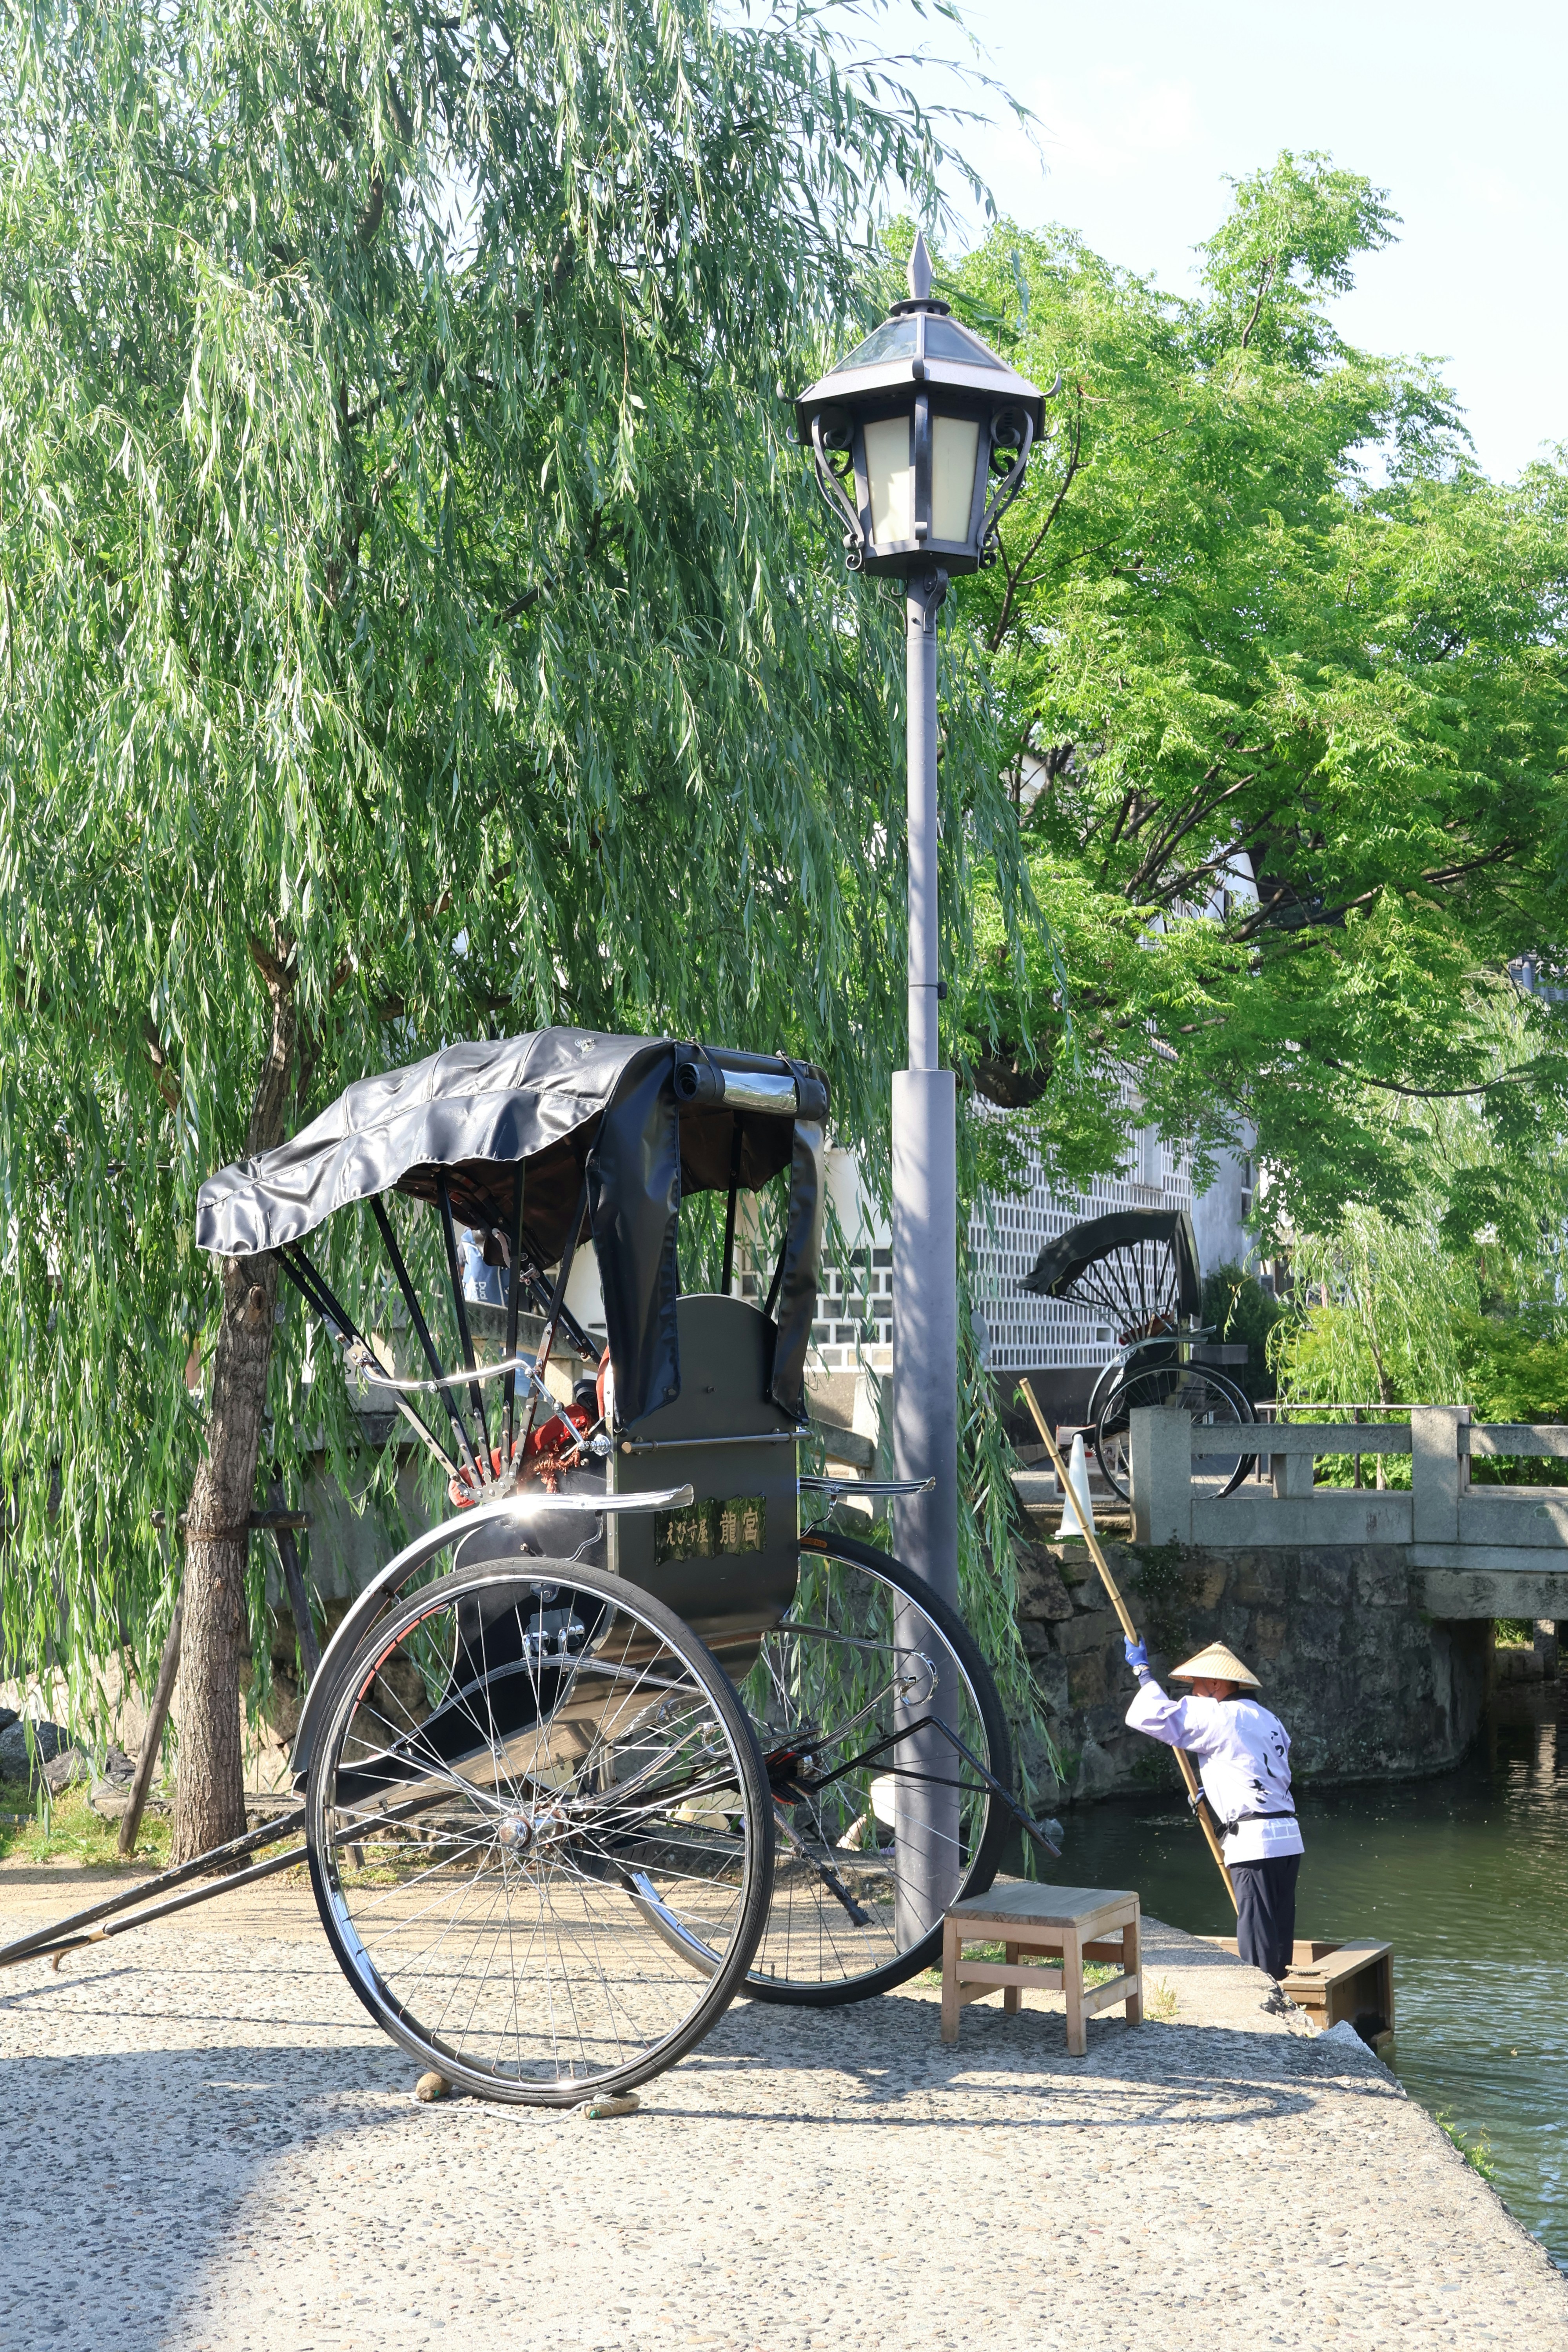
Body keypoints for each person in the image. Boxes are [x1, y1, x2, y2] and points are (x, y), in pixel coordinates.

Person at [1122, 1637, 1303, 1987]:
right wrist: (1216, 1794)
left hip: (1255, 1843)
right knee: (1279, 1935)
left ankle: (1263, 2012)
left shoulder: (1220, 1713)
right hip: (1287, 1838)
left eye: (1197, 1686)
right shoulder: (1270, 1719)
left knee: (1256, 1937)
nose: (1193, 1692)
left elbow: (1154, 1717)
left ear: (1218, 1685)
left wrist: (1143, 1673)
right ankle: (1281, 1995)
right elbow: (1253, 1767)